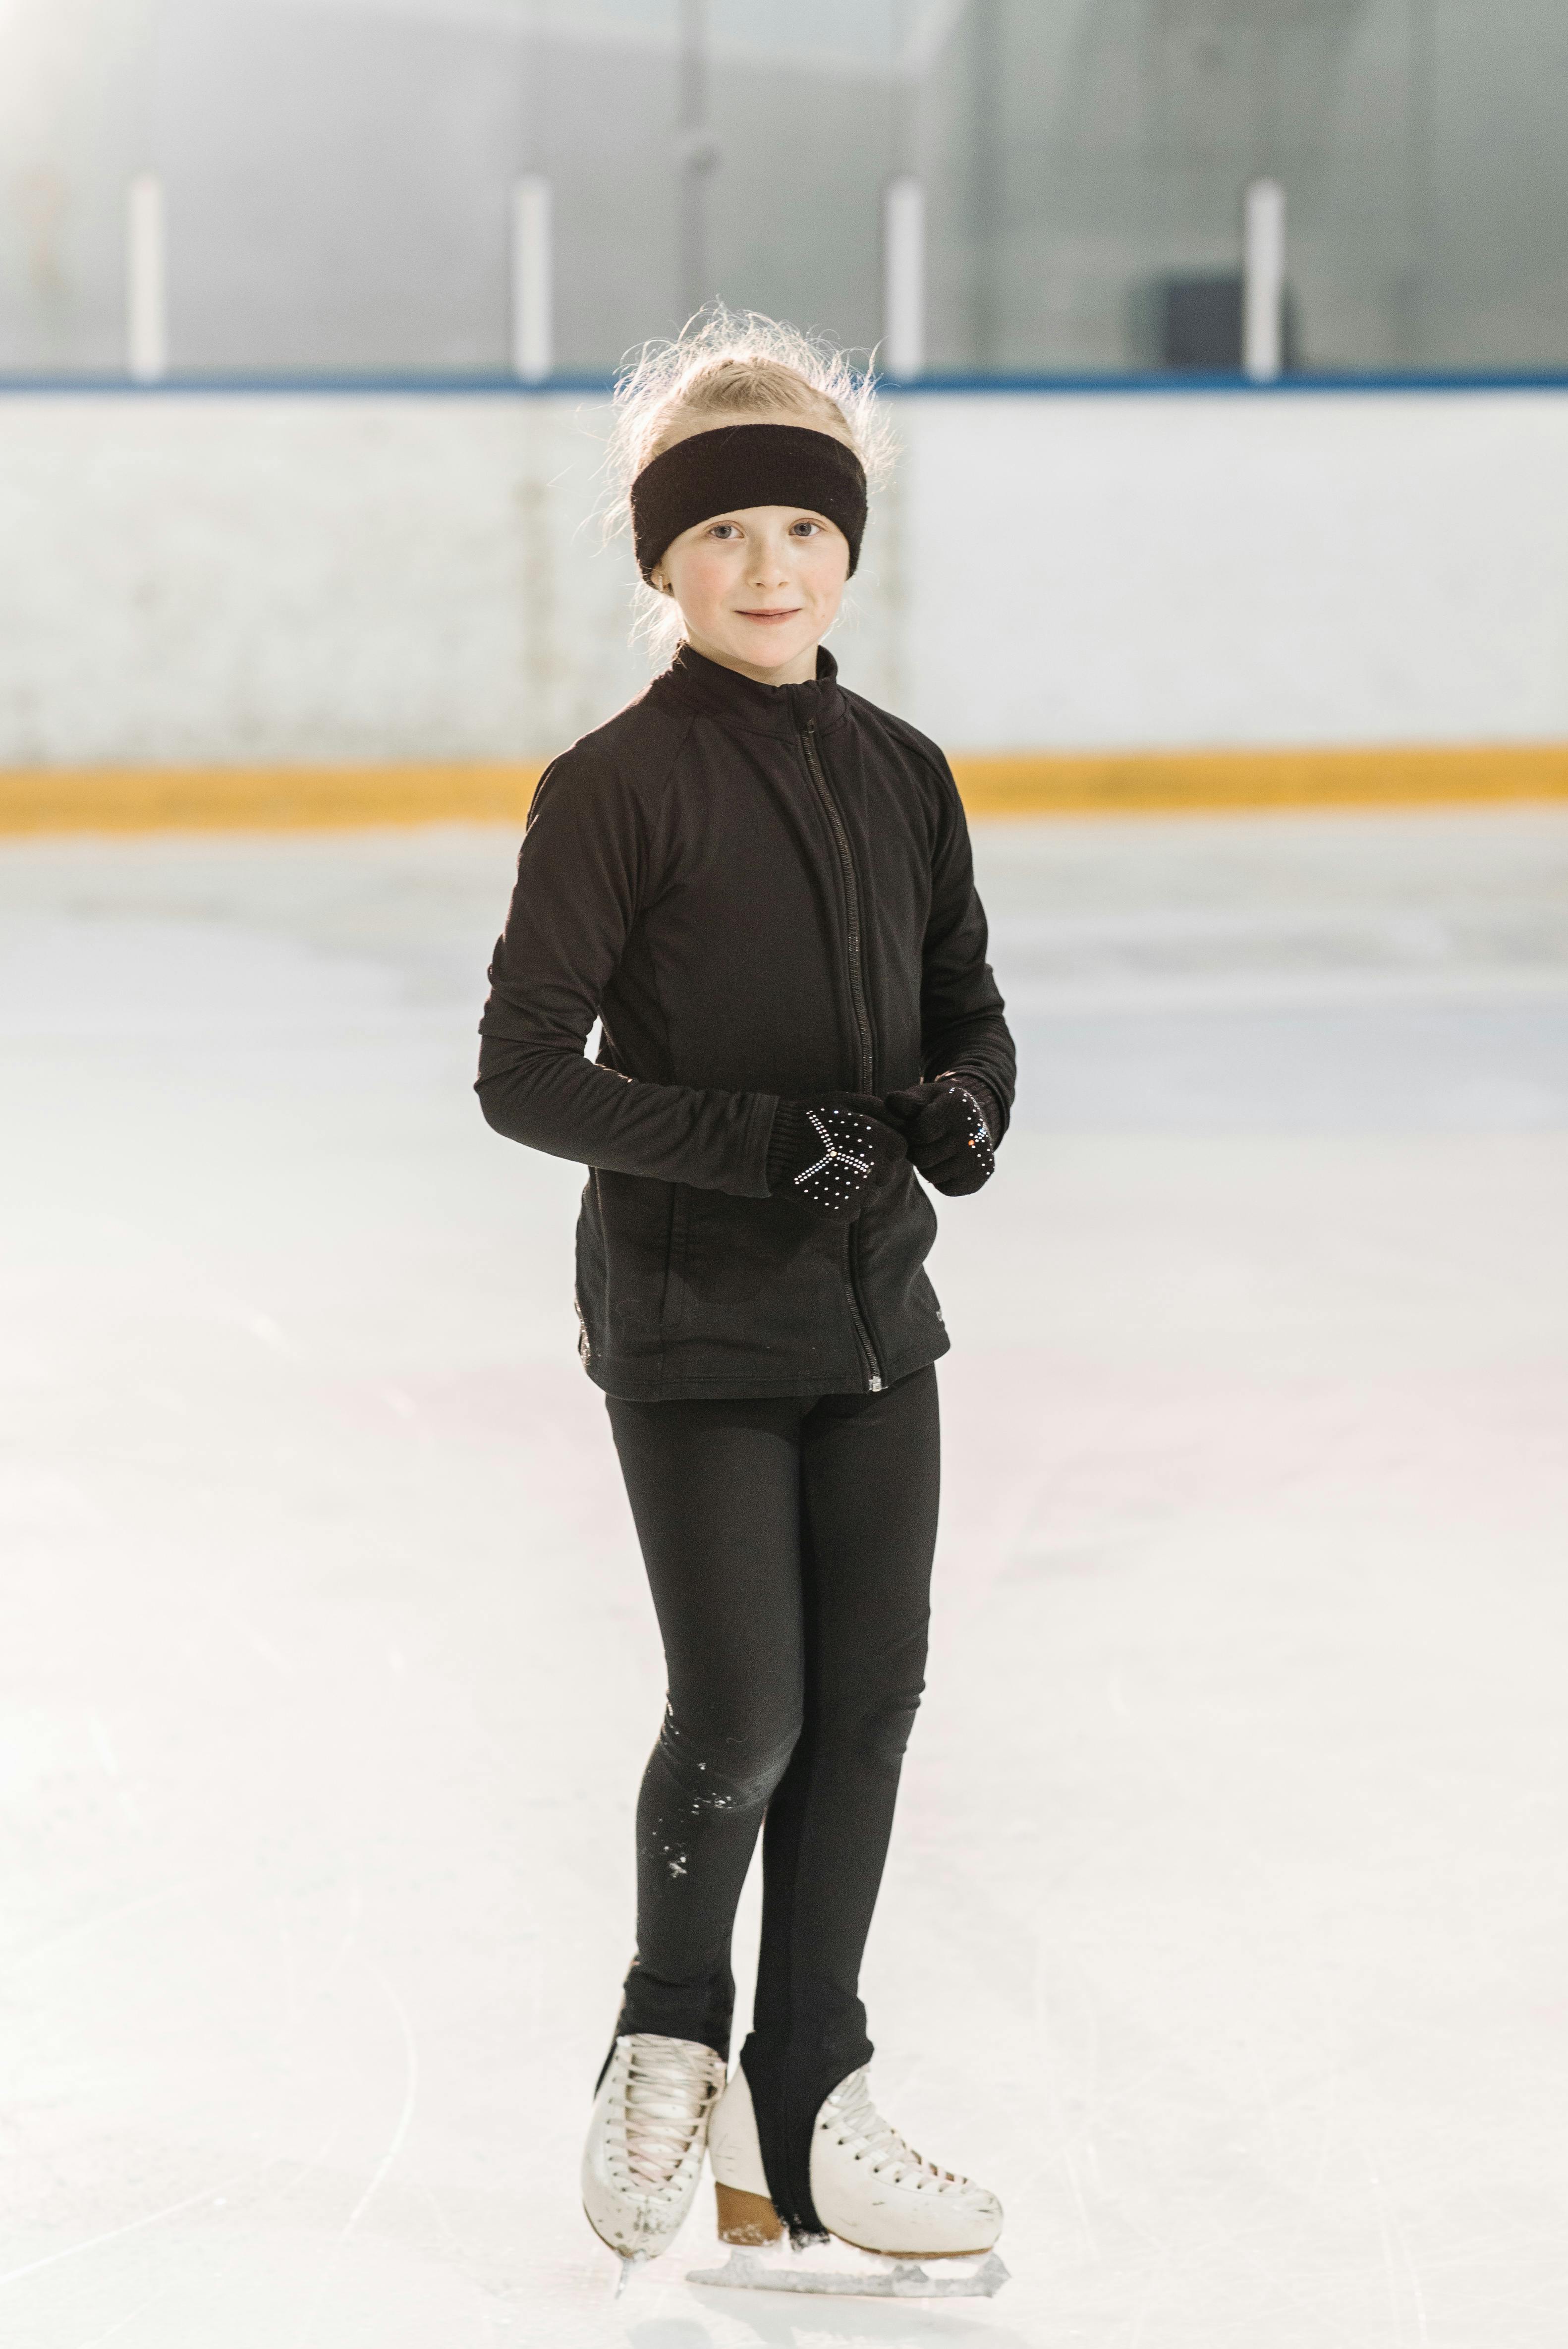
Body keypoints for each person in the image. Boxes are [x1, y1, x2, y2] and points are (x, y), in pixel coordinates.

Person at [476, 311, 1015, 2266]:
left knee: (866, 1709)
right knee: (743, 1719)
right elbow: (526, 1074)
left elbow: (970, 1005)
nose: (767, 565)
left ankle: (807, 2105)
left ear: (845, 547)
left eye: (801, 524)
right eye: (722, 536)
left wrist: (961, 1105)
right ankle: (665, 2045)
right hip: (697, 1329)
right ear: (662, 563)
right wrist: (766, 1145)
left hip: (878, 1327)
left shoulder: (902, 774)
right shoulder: (614, 789)